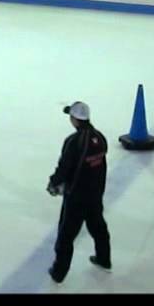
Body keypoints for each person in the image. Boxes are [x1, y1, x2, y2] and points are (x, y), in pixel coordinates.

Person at [47, 101, 111, 283]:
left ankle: (59, 273)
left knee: (66, 236)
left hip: (76, 197)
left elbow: (64, 167)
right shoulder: (99, 137)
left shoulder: (74, 141)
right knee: (98, 227)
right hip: (95, 193)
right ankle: (104, 258)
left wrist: (54, 183)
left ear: (75, 119)